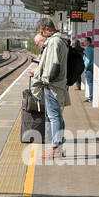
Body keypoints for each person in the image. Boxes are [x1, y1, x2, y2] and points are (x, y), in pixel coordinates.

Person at [30, 18, 69, 158]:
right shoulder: (60, 40)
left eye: (42, 31)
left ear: (47, 29)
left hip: (52, 86)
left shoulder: (53, 41)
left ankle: (55, 149)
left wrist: (44, 81)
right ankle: (58, 147)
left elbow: (53, 65)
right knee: (58, 116)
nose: (42, 34)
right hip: (58, 85)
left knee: (54, 117)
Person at [82, 36, 96, 103]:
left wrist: (84, 68)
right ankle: (91, 96)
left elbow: (87, 60)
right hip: (93, 68)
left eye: (85, 41)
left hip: (89, 69)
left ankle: (91, 97)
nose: (84, 42)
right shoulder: (92, 49)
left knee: (90, 83)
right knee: (91, 83)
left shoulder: (88, 50)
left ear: (88, 42)